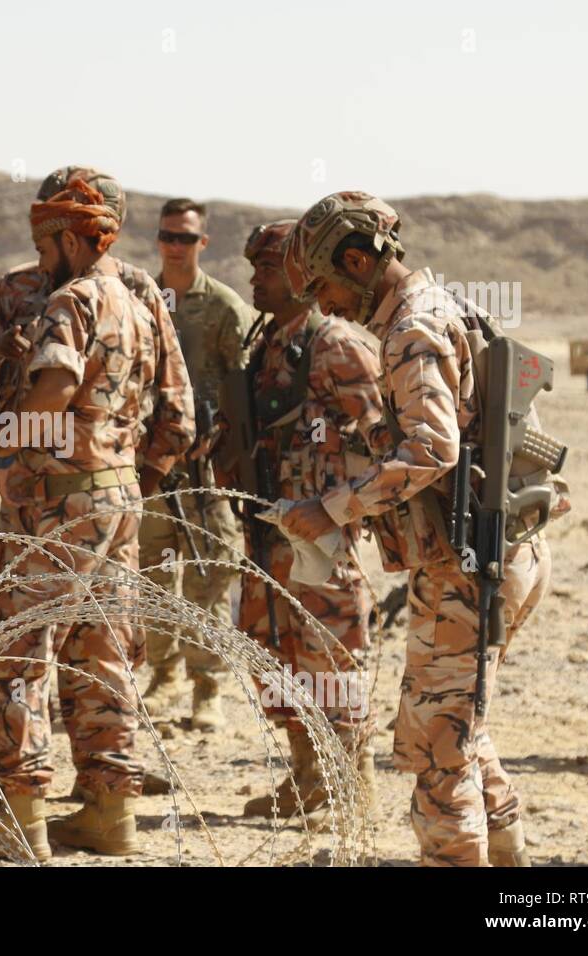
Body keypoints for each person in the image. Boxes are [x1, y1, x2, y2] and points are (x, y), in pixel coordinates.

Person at [281, 191, 557, 866]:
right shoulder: (449, 307)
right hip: (503, 547)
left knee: (438, 744)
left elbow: (434, 450)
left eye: (321, 285)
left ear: (355, 259)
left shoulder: (410, 328)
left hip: (471, 562)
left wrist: (336, 508)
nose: (321, 305)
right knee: (462, 725)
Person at [0, 180, 194, 860]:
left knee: (19, 650)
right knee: (103, 648)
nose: (40, 254)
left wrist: (10, 444)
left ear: (73, 238)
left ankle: (18, 816)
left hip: (53, 498)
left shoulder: (71, 297)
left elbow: (53, 388)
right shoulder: (138, 299)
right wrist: (121, 482)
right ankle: (109, 812)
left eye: (46, 242)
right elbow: (179, 415)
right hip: (113, 496)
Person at [223, 219, 383, 820]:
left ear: (299, 274)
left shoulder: (336, 343)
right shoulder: (267, 343)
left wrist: (342, 502)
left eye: (266, 269)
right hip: (267, 533)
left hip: (320, 538)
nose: (255, 281)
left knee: (332, 661)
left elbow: (384, 438)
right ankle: (309, 773)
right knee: (273, 656)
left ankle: (351, 789)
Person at [139, 198, 255, 730]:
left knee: (212, 573)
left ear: (202, 243)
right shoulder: (142, 299)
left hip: (205, 469)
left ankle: (208, 688)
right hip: (153, 465)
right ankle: (164, 677)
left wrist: (224, 445)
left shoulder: (225, 307)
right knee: (155, 576)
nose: (176, 246)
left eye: (186, 238)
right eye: (168, 236)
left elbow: (243, 390)